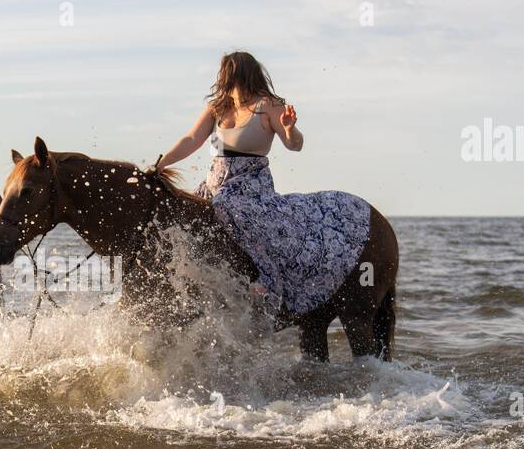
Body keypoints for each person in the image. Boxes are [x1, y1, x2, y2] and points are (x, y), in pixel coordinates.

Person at [156, 51, 370, 317]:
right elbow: (191, 139)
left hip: (250, 184)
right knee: (182, 209)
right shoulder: (217, 108)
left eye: (228, 75)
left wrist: (290, 128)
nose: (224, 81)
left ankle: (265, 278)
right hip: (214, 182)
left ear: (238, 75)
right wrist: (161, 164)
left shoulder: (268, 105)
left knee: (227, 203)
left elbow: (295, 146)